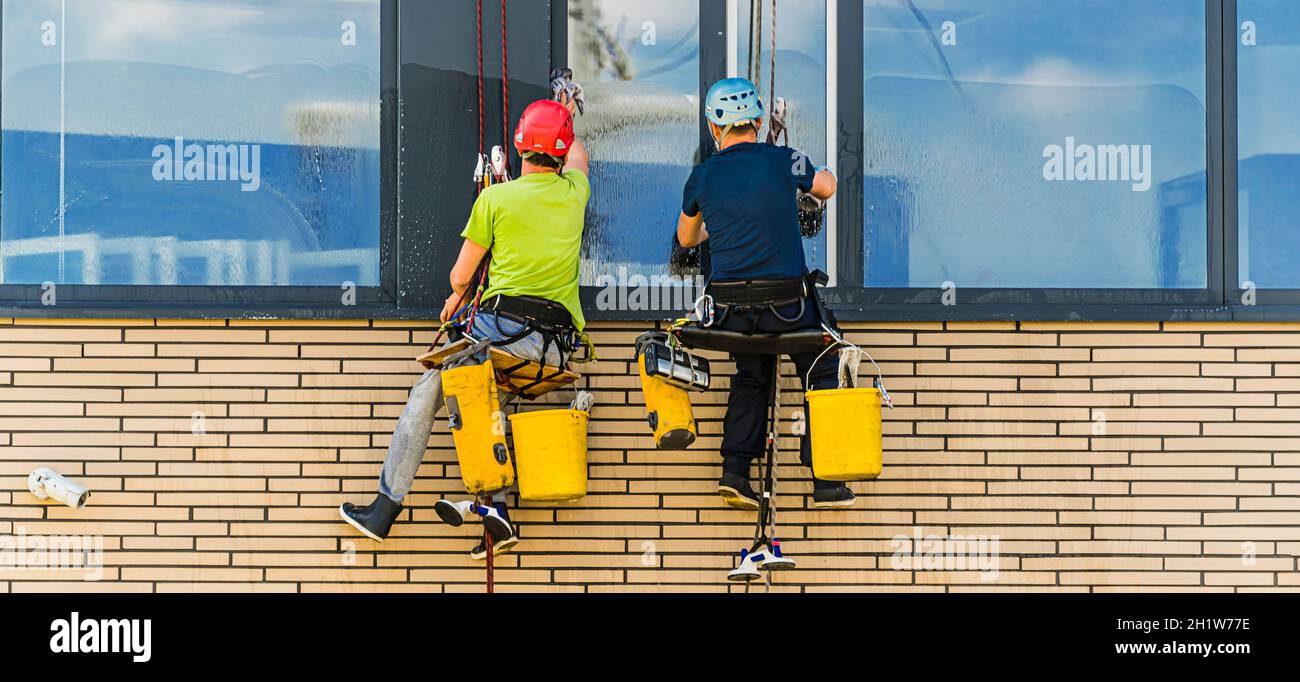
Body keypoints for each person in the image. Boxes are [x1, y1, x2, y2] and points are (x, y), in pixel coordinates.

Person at [340, 97, 590, 559]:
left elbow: (460, 276)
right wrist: (566, 112)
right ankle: (497, 512)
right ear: (560, 150)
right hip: (552, 349)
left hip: (502, 334)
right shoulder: (575, 194)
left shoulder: (496, 198)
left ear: (519, 149)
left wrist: (456, 296)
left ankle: (384, 507)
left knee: (429, 391)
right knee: (487, 400)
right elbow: (579, 157)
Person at [676, 77, 854, 510]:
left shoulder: (702, 176)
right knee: (821, 369)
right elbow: (826, 186)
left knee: (752, 375)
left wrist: (721, 219)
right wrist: (807, 180)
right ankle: (827, 480)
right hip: (790, 309)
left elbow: (686, 239)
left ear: (715, 128)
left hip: (732, 313)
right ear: (757, 120)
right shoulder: (785, 160)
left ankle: (735, 473)